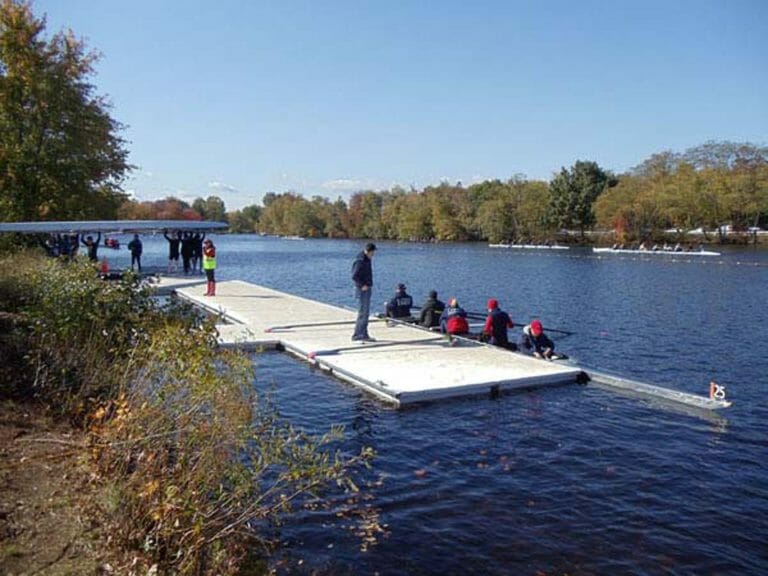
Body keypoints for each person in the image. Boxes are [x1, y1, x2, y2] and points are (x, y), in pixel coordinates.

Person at [351, 242, 376, 341]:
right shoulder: (360, 261)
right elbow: (354, 276)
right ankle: (357, 335)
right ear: (368, 251)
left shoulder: (367, 260)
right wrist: (362, 285)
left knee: (366, 313)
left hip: (367, 288)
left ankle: (364, 334)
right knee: (363, 313)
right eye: (372, 253)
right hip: (362, 289)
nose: (373, 255)